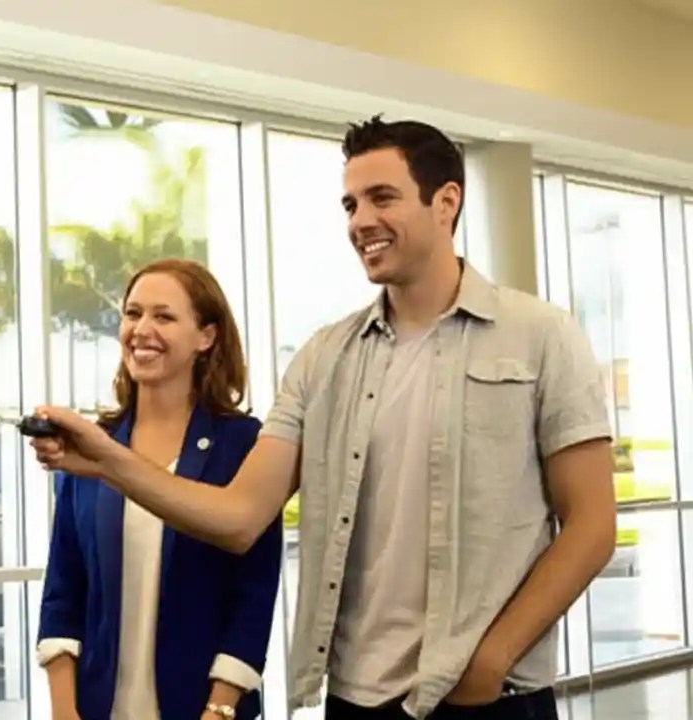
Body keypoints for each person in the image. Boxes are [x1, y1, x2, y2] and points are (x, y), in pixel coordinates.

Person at [30, 116, 617, 720]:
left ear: (446, 203)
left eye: (381, 197)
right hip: (355, 699)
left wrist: (491, 661)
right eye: (350, 204)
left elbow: (592, 524)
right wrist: (108, 461)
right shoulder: (323, 358)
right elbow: (237, 518)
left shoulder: (540, 336)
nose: (361, 220)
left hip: (487, 696)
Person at [38, 258, 282, 720]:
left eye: (164, 316)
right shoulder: (94, 444)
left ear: (205, 337)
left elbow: (254, 596)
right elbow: (63, 590)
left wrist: (219, 711)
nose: (141, 329)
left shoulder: (243, 444)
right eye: (133, 314)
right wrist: (64, 711)